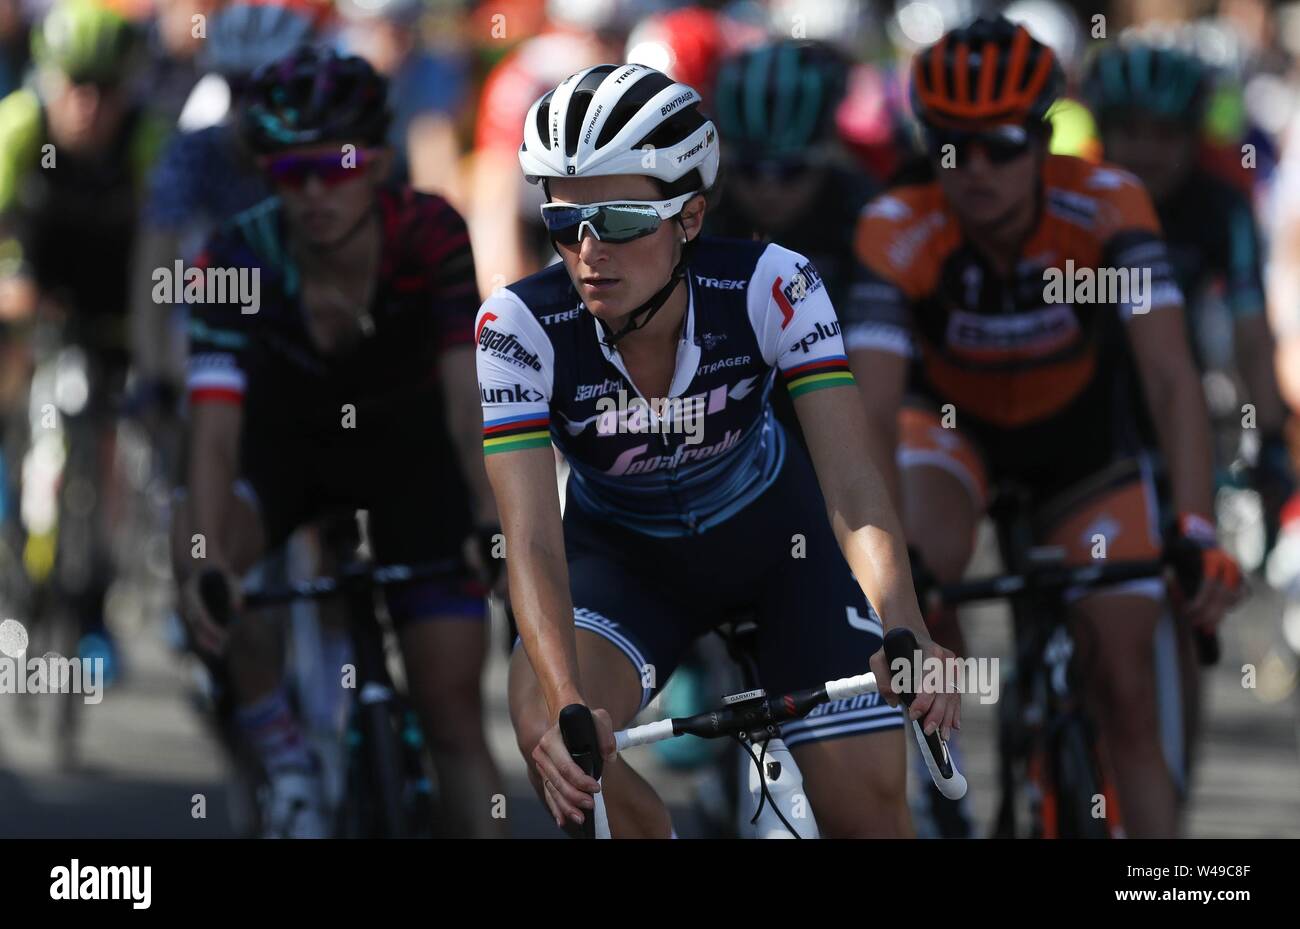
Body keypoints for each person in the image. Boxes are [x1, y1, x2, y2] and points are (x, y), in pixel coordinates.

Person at [476, 62, 958, 838]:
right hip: (626, 565)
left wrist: (905, 624)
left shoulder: (775, 285)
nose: (591, 251)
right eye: (566, 224)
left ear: (690, 217)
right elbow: (529, 536)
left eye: (624, 221)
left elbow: (853, 484)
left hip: (783, 551)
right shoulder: (518, 326)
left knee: (868, 813)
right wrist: (567, 699)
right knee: (546, 726)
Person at [843, 17, 1243, 838]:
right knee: (919, 571)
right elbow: (872, 413)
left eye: (1002, 146)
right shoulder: (895, 222)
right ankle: (934, 774)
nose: (976, 171)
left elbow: (1172, 380)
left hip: (1079, 445)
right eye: (953, 146)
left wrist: (1198, 526)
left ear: (1043, 136)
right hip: (953, 434)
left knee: (1126, 686)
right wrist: (898, 591)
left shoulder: (1106, 203)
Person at [171, 46, 504, 838]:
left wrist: (493, 521)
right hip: (285, 455)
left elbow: (468, 404)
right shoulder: (234, 255)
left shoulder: (431, 233)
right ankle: (280, 749)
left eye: (338, 163)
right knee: (201, 544)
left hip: (414, 458)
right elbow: (213, 436)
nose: (316, 190)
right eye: (291, 172)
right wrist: (206, 561)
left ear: (378, 161)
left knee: (452, 713)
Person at [0, 0, 170, 681]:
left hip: (116, 292)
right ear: (49, 78)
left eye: (104, 88)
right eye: (74, 84)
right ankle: (13, 552)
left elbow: (170, 251)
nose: (87, 104)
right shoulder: (17, 126)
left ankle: (96, 597)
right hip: (31, 281)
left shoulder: (147, 140)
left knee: (112, 430)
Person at [1083, 42, 1293, 549]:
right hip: (1081, 412)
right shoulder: (1077, 200)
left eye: (1166, 134)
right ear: (1102, 131)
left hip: (1180, 405)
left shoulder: (1222, 209)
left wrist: (1269, 438)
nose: (1147, 151)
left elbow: (1252, 334)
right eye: (1130, 131)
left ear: (1194, 137)